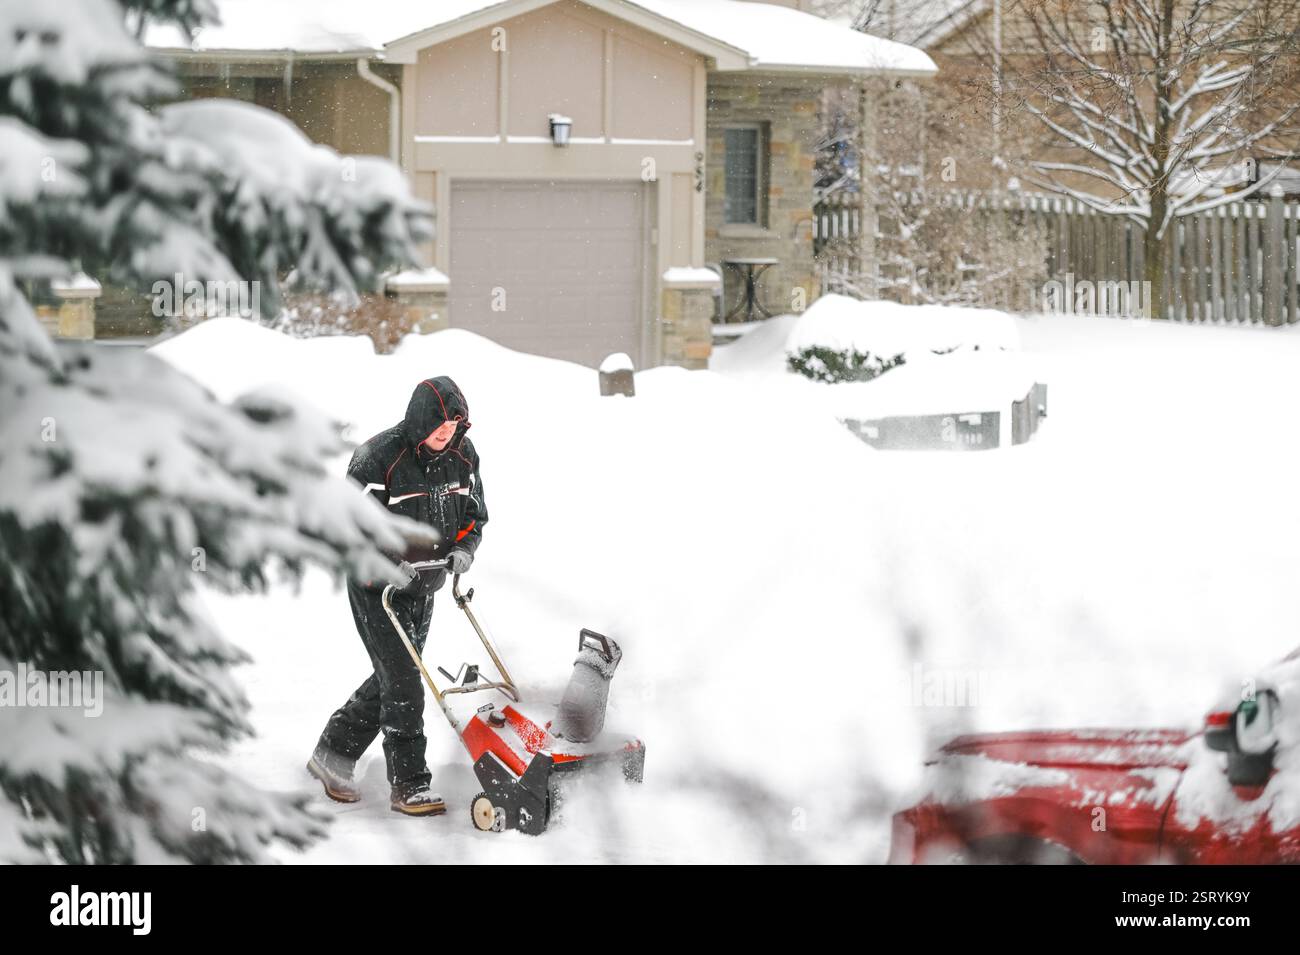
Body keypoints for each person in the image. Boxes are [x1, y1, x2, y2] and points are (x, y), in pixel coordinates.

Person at [307, 376, 487, 816]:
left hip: (426, 583)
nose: (447, 434)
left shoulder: (463, 456)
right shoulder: (378, 458)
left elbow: (474, 515)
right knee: (405, 679)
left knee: (396, 675)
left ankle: (332, 753)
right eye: (440, 425)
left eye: (454, 426)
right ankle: (409, 783)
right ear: (422, 419)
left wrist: (463, 549)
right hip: (377, 586)